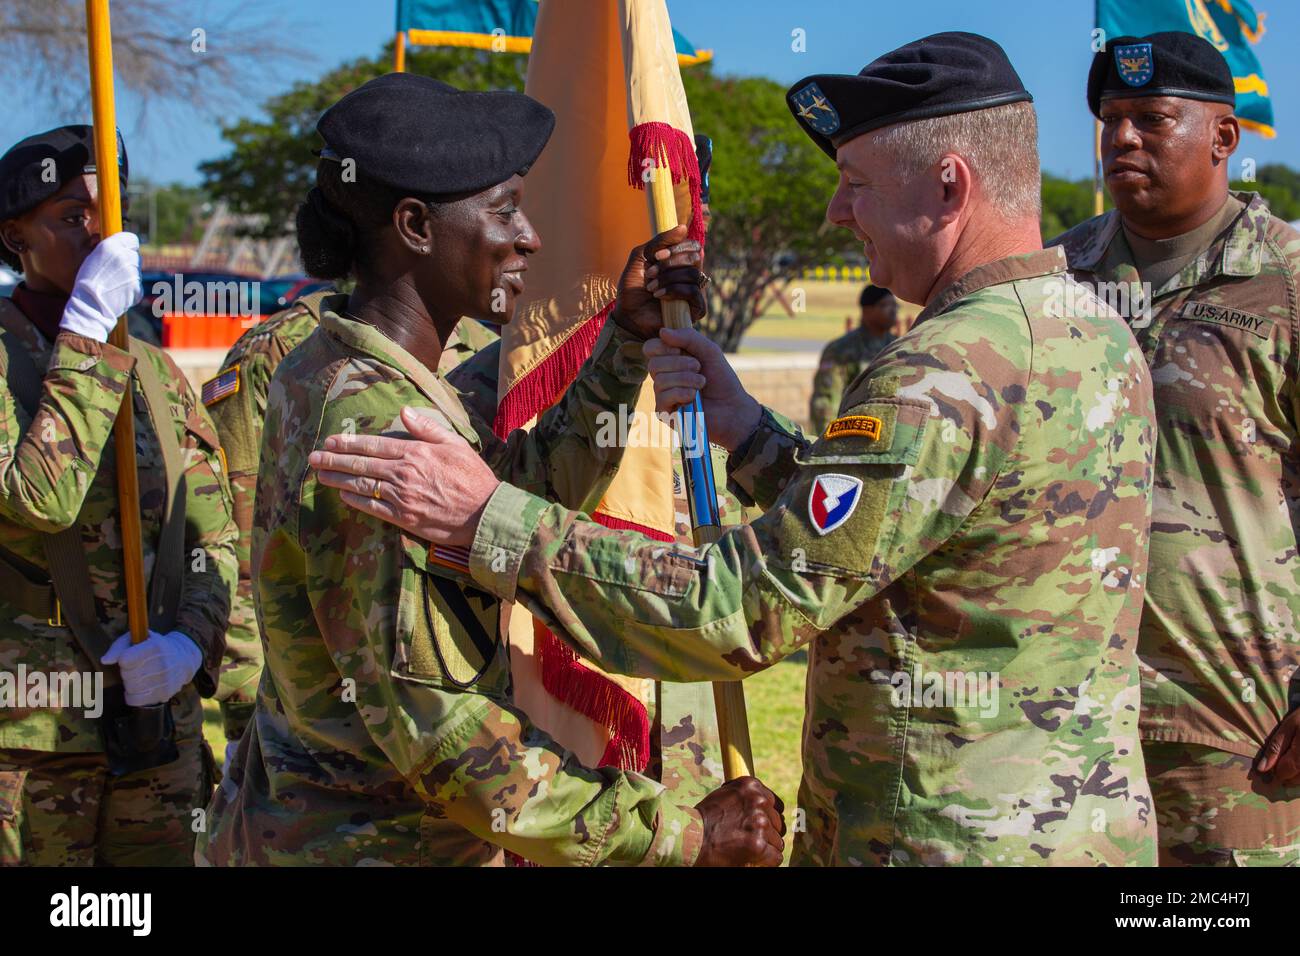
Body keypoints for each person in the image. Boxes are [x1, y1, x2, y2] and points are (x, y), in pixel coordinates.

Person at [310, 34, 1159, 866]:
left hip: (943, 833)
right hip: (1081, 824)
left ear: (949, 186)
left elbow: (746, 605)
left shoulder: (944, 372)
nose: (835, 213)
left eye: (854, 186)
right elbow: (919, 539)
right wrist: (748, 434)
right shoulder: (1098, 332)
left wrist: (486, 519)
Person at [198, 73, 784, 867]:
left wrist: (621, 341)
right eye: (505, 210)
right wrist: (681, 837)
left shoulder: (352, 369)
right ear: (414, 225)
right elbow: (440, 732)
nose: (531, 238)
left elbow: (512, 502)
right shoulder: (381, 425)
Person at [1052, 32, 1300, 866]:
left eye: (1152, 120)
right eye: (1110, 121)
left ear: (1224, 138)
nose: (1122, 139)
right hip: (1068, 721)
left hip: (1241, 732)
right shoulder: (1053, 281)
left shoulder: (1290, 283)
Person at [0, 125, 238, 865]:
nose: (102, 236)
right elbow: (39, 499)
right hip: (30, 741)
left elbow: (216, 537)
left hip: (153, 734)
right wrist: (87, 338)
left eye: (112, 213)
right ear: (15, 236)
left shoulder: (159, 374)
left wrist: (189, 642)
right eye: (72, 217)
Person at [204, 286, 497, 757]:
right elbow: (243, 542)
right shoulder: (282, 350)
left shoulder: (487, 349)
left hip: (454, 679)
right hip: (319, 710)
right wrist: (241, 705)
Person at [809, 284, 899, 433]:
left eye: (895, 306)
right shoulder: (841, 350)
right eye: (884, 305)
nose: (893, 311)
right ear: (867, 310)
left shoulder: (898, 346)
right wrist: (824, 441)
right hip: (851, 432)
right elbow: (826, 400)